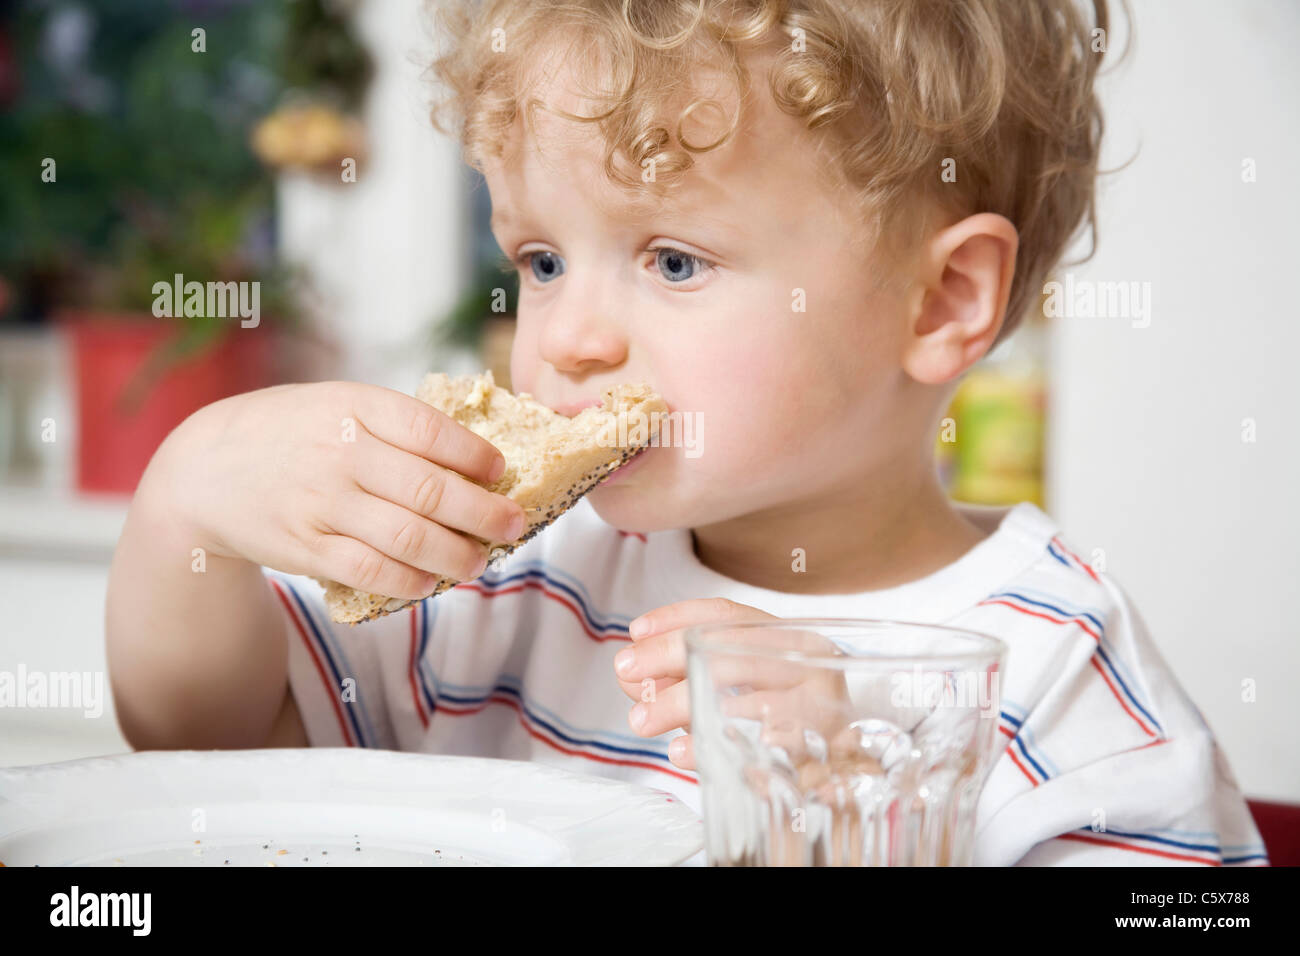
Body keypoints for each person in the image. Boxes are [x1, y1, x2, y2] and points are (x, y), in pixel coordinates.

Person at [106, 0, 1267, 866]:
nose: (564, 338)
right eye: (541, 259)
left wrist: (849, 818)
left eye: (671, 259)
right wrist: (187, 507)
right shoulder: (507, 580)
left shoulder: (1058, 679)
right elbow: (208, 741)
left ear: (941, 299)